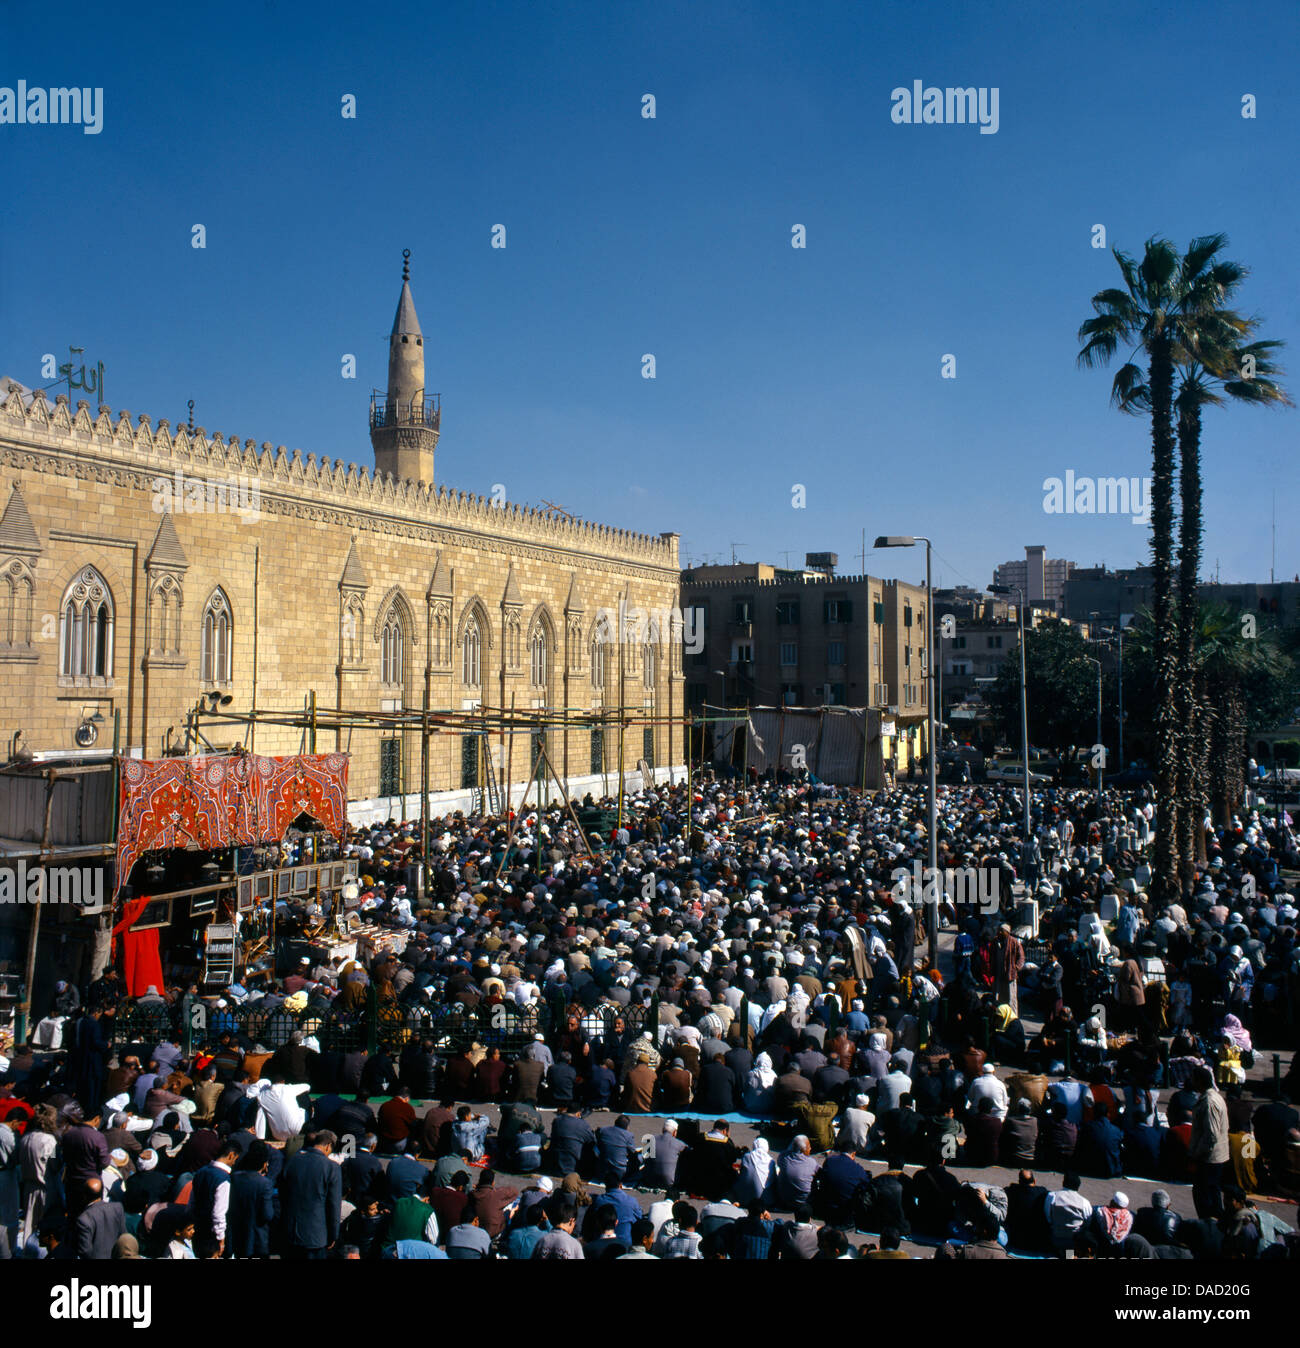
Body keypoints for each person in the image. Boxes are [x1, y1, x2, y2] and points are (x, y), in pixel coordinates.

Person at [281, 1129, 342, 1258]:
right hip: (315, 1236)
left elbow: (283, 1194)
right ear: (328, 1146)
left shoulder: (293, 1160)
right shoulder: (332, 1168)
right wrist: (334, 1234)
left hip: (290, 1232)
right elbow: (334, 1205)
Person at [1189, 1064, 1230, 1219]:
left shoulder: (1209, 1102)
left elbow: (1211, 1134)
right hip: (1215, 1156)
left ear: (1199, 1081)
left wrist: (1196, 1153)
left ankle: (1209, 1226)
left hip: (1209, 1158)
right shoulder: (1213, 1097)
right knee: (1212, 1194)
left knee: (1204, 1196)